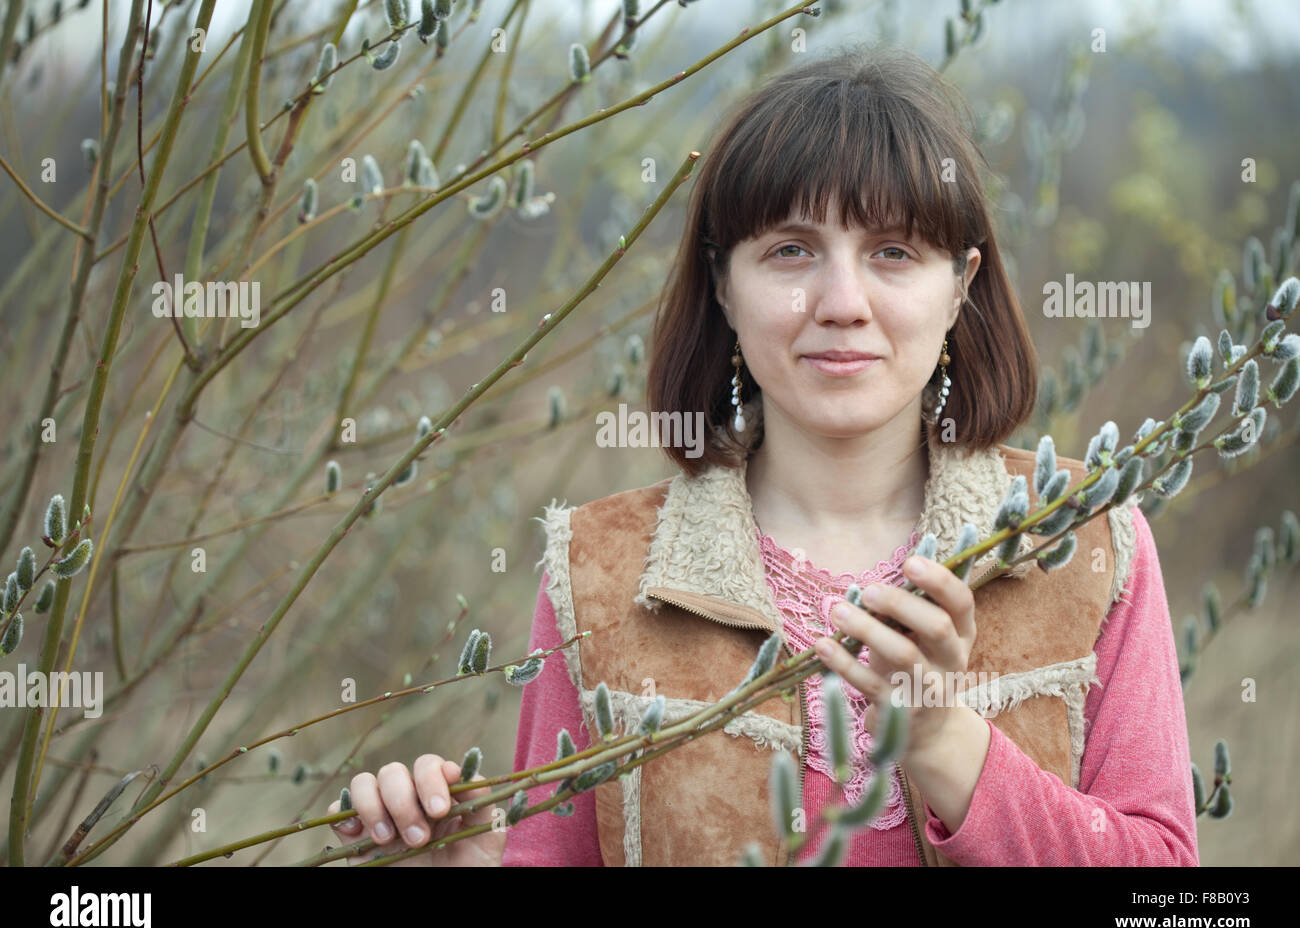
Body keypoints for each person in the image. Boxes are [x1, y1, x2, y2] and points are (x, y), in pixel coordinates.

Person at [328, 42, 1199, 867]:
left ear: (962, 286)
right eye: (791, 251)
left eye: (893, 252)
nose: (842, 301)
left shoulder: (1084, 545)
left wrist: (941, 738)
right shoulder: (597, 573)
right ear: (722, 284)